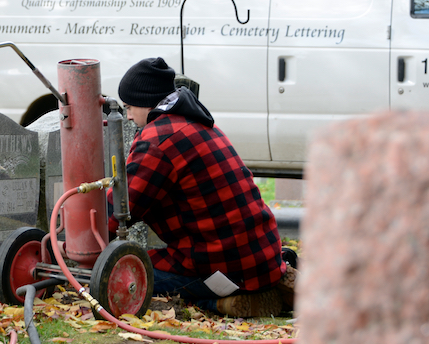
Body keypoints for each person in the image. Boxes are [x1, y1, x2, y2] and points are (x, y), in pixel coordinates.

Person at [109, 57, 296, 317]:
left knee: (124, 271)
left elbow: (121, 207)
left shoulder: (157, 140)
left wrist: (80, 244)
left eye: (129, 107)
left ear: (145, 100)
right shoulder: (198, 122)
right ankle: (274, 279)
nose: (128, 116)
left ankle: (221, 303)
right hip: (264, 254)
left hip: (226, 267)